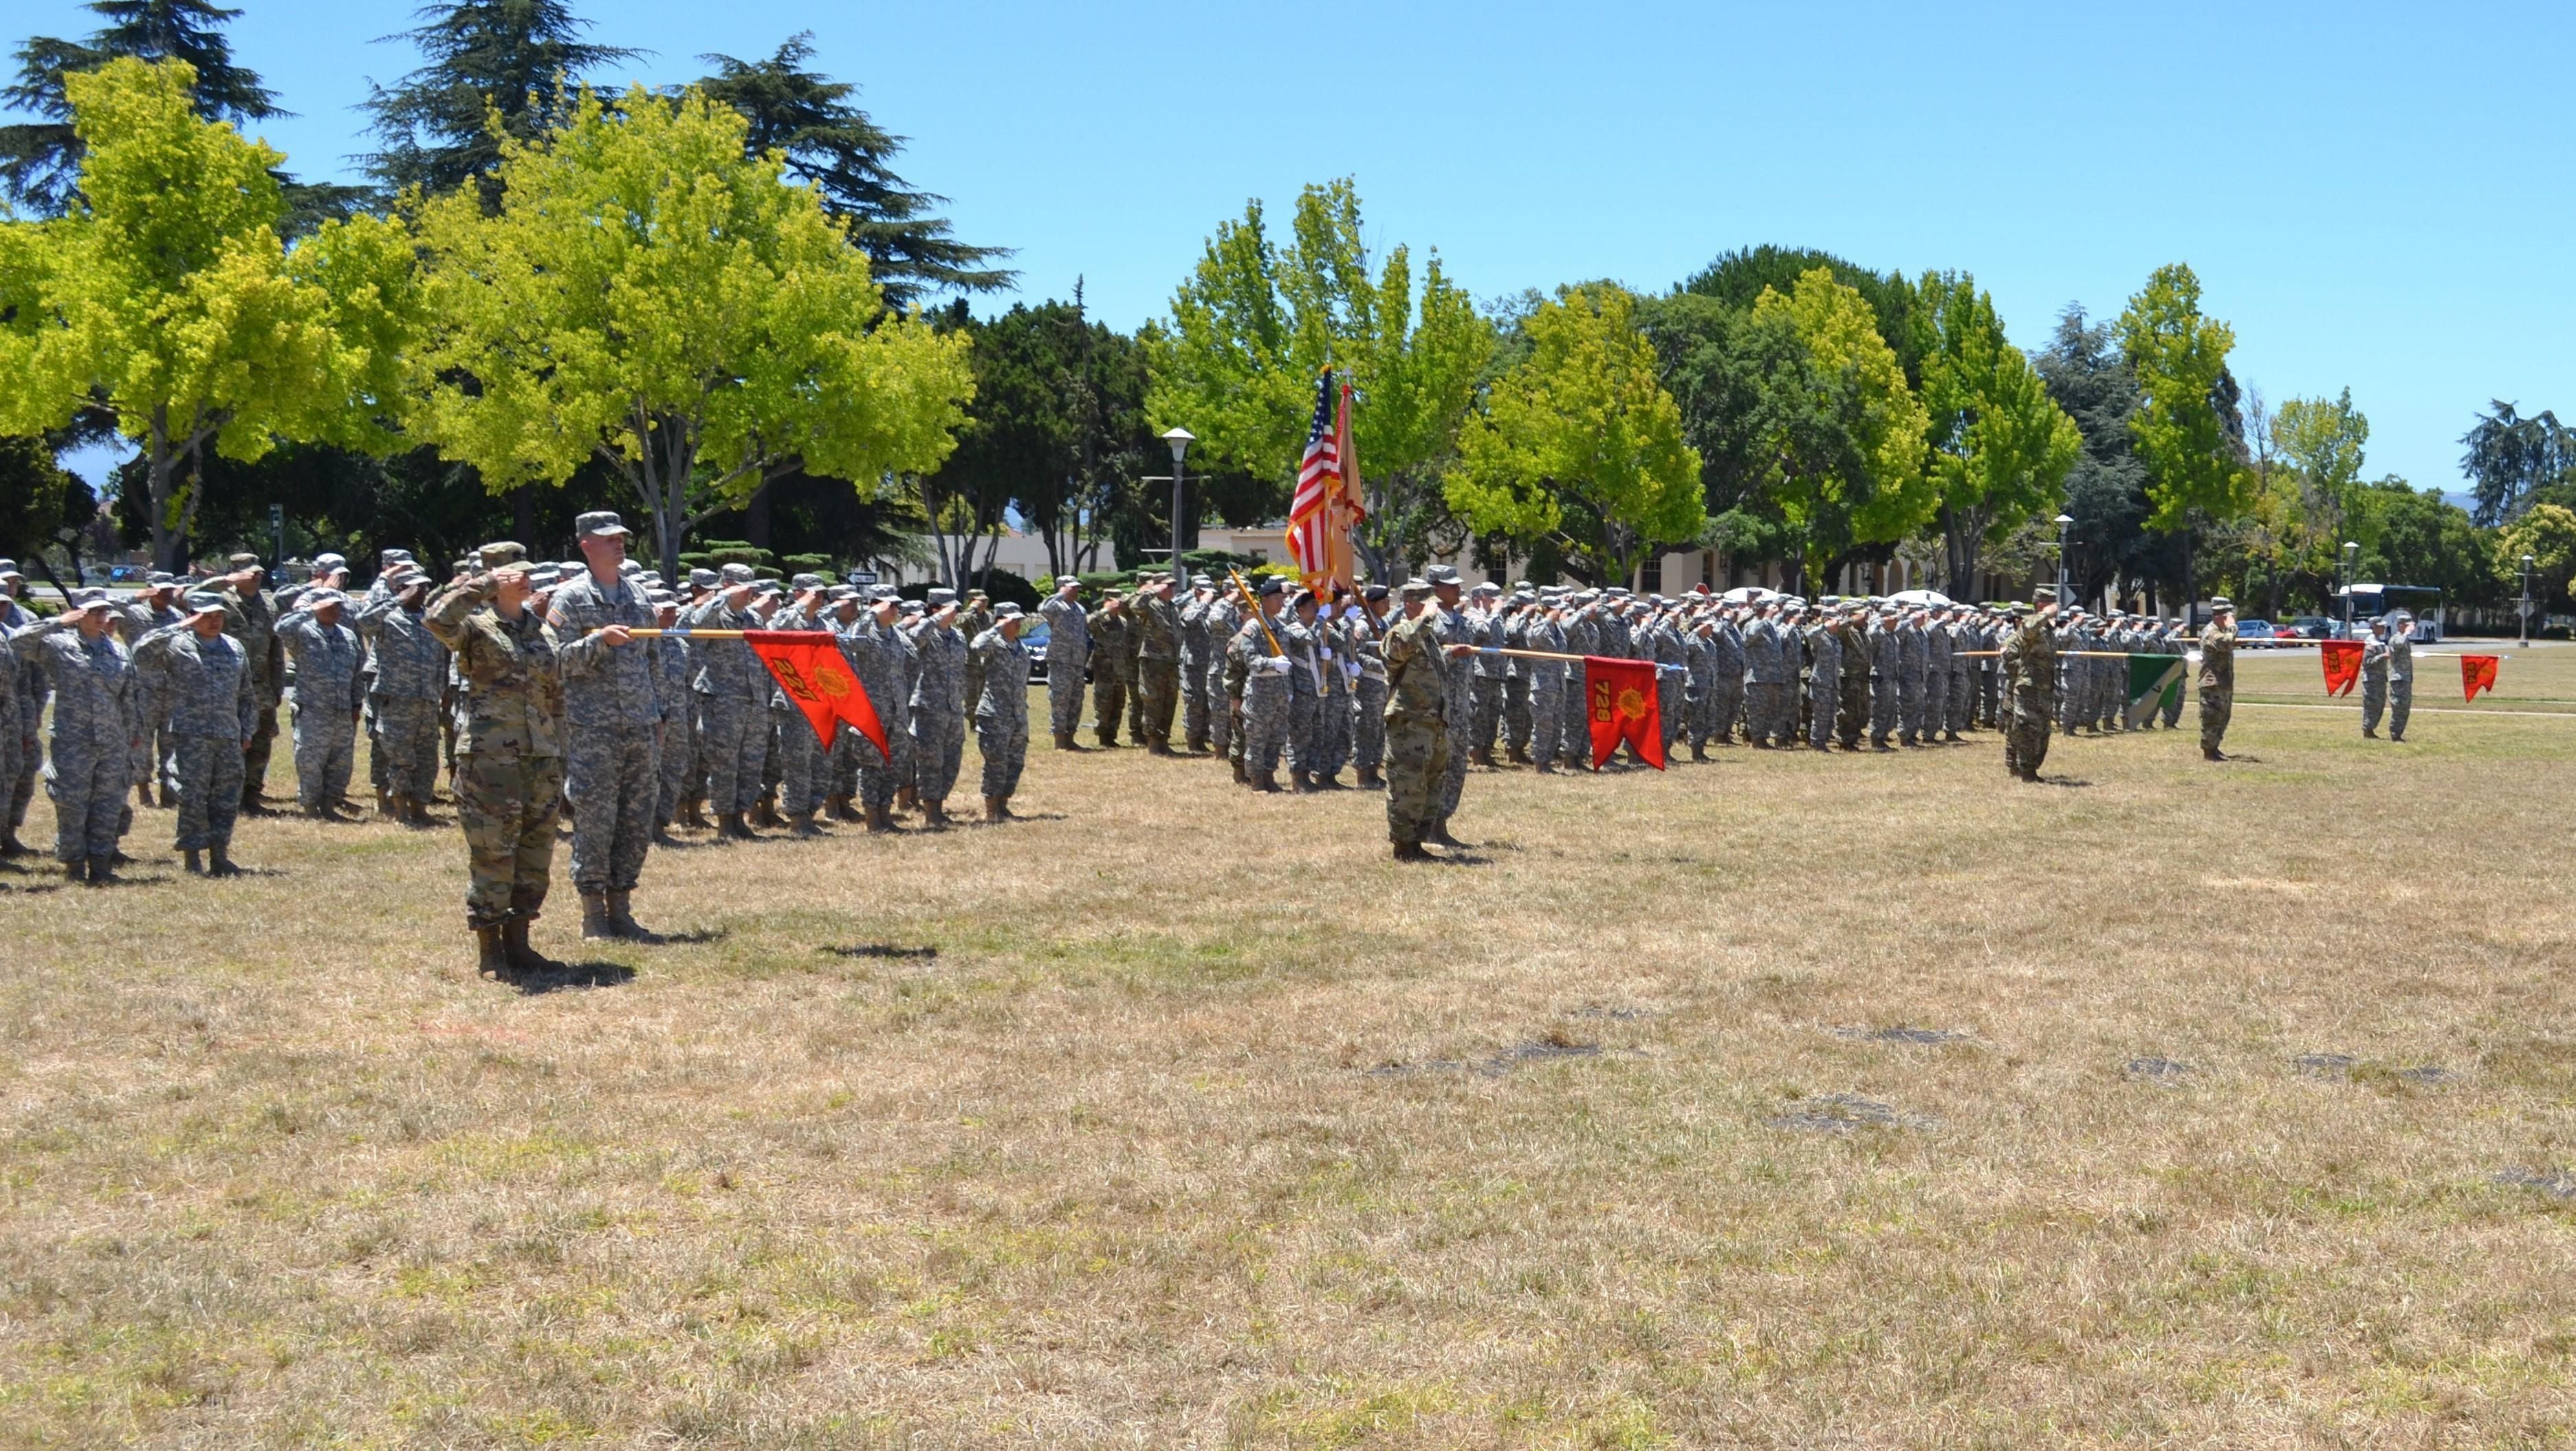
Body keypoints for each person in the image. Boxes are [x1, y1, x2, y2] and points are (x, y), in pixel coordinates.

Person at [424, 547, 567, 979]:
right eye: (514, 575)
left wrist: (560, 747)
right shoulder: (474, 626)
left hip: (541, 757)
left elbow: (554, 694)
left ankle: (519, 944)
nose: (525, 580)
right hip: (491, 758)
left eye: (527, 573)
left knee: (534, 854)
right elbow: (436, 619)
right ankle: (490, 951)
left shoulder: (542, 630)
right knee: (493, 853)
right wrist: (483, 585)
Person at [547, 512, 666, 939]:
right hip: (593, 728)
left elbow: (655, 661)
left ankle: (622, 908)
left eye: (621, 538)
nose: (619, 544)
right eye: (609, 539)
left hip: (640, 723)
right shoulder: (570, 599)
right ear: (586, 546)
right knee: (596, 819)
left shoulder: (638, 595)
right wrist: (599, 641)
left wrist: (661, 715)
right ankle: (593, 914)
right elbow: (553, 662)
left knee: (636, 819)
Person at [9, 589, 140, 882]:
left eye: (104, 611)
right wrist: (57, 622)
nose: (100, 616)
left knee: (108, 803)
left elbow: (130, 695)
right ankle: (75, 865)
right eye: (93, 611)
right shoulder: (58, 645)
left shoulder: (118, 651)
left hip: (112, 741)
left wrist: (133, 733)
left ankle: (102, 864)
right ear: (78, 613)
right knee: (72, 804)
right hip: (74, 741)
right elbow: (18, 641)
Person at [132, 590, 256, 874]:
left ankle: (220, 855)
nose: (215, 622)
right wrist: (179, 627)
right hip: (191, 734)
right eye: (207, 616)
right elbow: (141, 652)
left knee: (226, 798)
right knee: (192, 796)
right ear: (193, 616)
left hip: (227, 733)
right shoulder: (177, 645)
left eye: (219, 616)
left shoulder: (234, 647)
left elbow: (246, 694)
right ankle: (192, 856)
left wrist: (247, 730)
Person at [1381, 578, 1481, 860]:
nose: (1434, 611)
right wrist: (1425, 618)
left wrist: (1450, 654)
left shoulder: (1427, 639)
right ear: (1411, 604)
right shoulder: (1399, 633)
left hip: (1433, 722)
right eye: (1428, 605)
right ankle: (1403, 845)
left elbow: (1427, 666)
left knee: (1430, 785)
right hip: (1409, 723)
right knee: (1407, 785)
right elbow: (1401, 650)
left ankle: (1418, 842)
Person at [353, 563, 450, 827]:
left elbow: (441, 658)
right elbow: (363, 621)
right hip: (398, 700)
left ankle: (421, 809)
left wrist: (440, 690)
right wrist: (397, 599)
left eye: (425, 587)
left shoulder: (430, 619)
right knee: (401, 757)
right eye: (417, 587)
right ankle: (401, 811)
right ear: (401, 588)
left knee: (428, 758)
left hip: (427, 700)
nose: (423, 592)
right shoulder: (388, 618)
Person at [684, 565, 767, 840]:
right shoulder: (716, 614)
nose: (750, 592)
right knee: (724, 763)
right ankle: (723, 821)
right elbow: (697, 625)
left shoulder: (753, 618)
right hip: (723, 700)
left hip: (753, 700)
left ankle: (740, 816)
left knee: (750, 763)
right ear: (728, 585)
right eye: (744, 587)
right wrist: (723, 597)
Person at [274, 586, 367, 820]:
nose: (336, 610)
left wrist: (356, 703)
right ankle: (310, 807)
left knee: (340, 762)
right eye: (330, 606)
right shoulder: (303, 632)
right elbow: (281, 629)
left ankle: (330, 806)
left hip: (342, 710)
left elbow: (357, 673)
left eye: (338, 606)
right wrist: (309, 610)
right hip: (313, 710)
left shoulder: (347, 635)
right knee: (310, 761)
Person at [1225, 577, 1294, 791]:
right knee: (1257, 738)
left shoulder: (1281, 628)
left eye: (1283, 598)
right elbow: (1251, 661)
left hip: (1280, 692)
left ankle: (1269, 776)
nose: (1281, 602)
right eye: (1277, 598)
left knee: (1276, 737)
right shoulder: (1253, 628)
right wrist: (1273, 664)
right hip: (1260, 693)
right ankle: (1256, 781)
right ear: (1263, 600)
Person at [908, 588, 969, 827]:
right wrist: (933, 620)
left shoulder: (958, 637)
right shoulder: (925, 633)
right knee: (930, 760)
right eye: (950, 608)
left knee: (952, 759)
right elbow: (912, 640)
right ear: (936, 609)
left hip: (953, 706)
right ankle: (931, 812)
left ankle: (940, 806)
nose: (956, 613)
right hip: (929, 707)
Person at [970, 602, 1032, 820]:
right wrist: (996, 627)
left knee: (1015, 762)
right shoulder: (993, 644)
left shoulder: (1021, 647)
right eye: (1012, 620)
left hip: (1017, 713)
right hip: (995, 713)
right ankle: (991, 810)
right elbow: (976, 646)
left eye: (1019, 620)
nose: (1017, 624)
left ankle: (1003, 805)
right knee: (996, 762)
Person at [2000, 599, 2057, 781]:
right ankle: (2022, 768)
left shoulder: (2046, 633)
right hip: (2025, 688)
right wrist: (2029, 665)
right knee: (2022, 729)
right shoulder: (2019, 636)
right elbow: (2009, 662)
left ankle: (2029, 767)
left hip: (2044, 687)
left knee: (2041, 731)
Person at [1133, 571, 1183, 754]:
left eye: (1172, 586)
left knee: (1170, 701)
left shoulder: (1173, 607)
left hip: (1171, 661)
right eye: (1167, 586)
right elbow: (1135, 606)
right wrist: (1151, 591)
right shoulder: (1150, 605)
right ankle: (1153, 742)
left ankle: (1164, 740)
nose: (1171, 590)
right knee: (1153, 700)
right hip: (1153, 661)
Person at [1038, 576, 1090, 750]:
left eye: (1077, 588)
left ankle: (1070, 737)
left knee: (1076, 699)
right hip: (1060, 660)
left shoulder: (1080, 609)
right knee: (1060, 699)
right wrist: (1060, 594)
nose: (1076, 590)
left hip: (1077, 661)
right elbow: (1043, 608)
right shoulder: (1056, 606)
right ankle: (1060, 740)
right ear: (1062, 587)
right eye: (1072, 587)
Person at [1086, 587, 1131, 748]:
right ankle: (1103, 736)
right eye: (1116, 601)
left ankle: (1112, 735)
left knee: (1118, 703)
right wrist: (1104, 610)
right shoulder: (1099, 620)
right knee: (1103, 703)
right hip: (1104, 668)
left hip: (1120, 668)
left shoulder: (1123, 622)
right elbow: (1088, 623)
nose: (1119, 604)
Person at [2198, 598, 2238, 761]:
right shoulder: (2211, 632)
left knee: (2223, 716)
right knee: (2211, 718)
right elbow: (2226, 643)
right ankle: (2208, 751)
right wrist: (2232, 627)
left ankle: (2215, 747)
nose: (2232, 618)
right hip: (2212, 682)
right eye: (2228, 615)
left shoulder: (2221, 631)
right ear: (2219, 616)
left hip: (2224, 681)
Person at [2360, 616, 2392, 739]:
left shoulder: (2379, 641)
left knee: (2379, 705)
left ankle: (2371, 728)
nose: (2384, 628)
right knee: (2371, 705)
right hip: (2371, 681)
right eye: (2381, 626)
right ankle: (2367, 730)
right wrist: (2383, 656)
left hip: (2380, 680)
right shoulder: (2370, 643)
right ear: (2374, 627)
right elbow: (2367, 662)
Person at [2386, 610, 2415, 740]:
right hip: (2398, 678)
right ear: (2401, 625)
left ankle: (2399, 733)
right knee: (2398, 706)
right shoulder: (2396, 638)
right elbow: (2399, 644)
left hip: (2405, 678)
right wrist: (2407, 633)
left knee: (2405, 707)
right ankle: (2394, 733)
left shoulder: (2404, 639)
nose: (2411, 628)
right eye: (2407, 625)